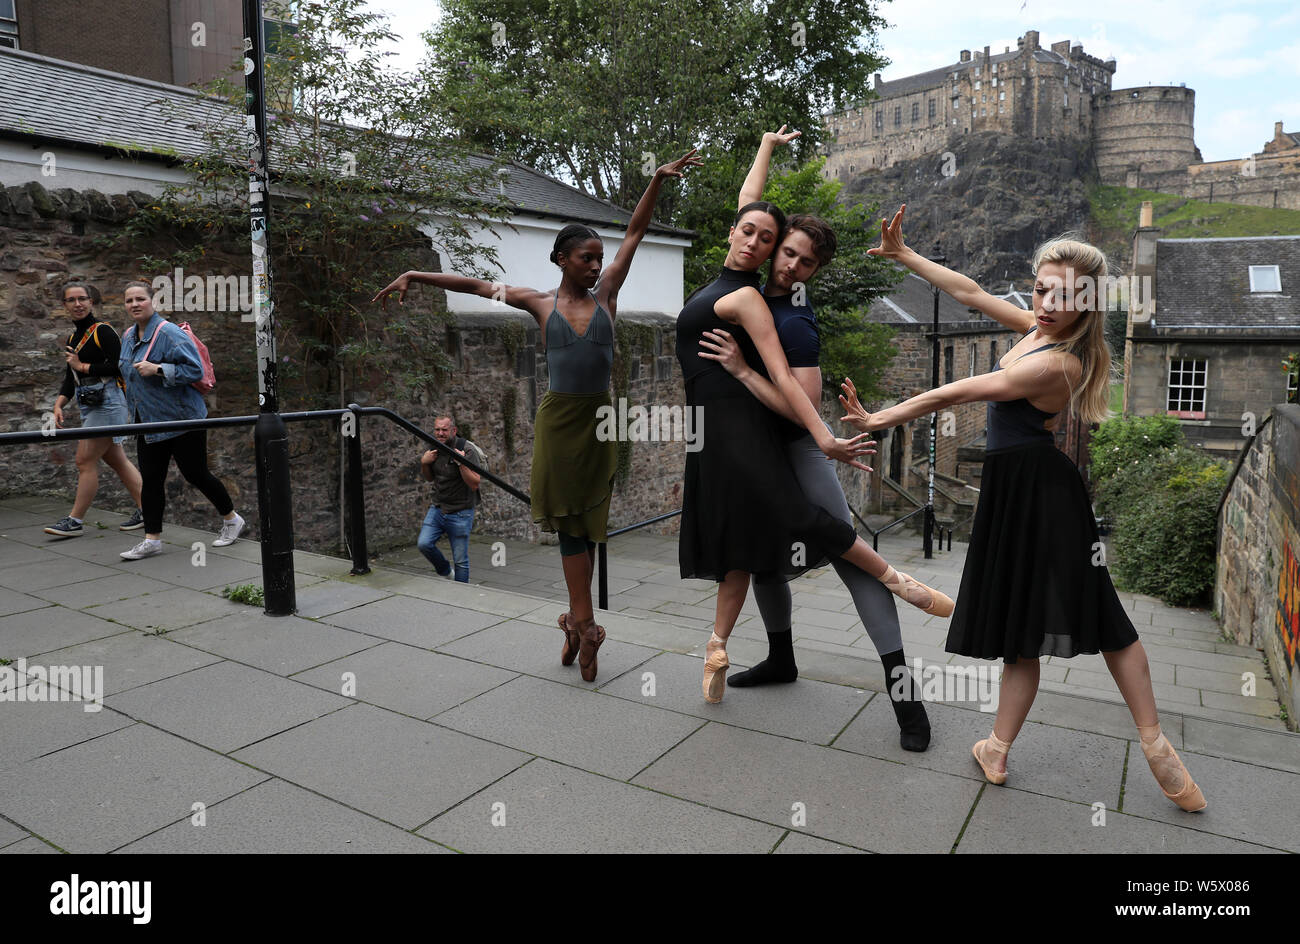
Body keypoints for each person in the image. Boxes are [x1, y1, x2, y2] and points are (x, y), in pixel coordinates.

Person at [838, 205, 1206, 811]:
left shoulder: (1061, 360)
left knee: (1101, 616)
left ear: (1087, 304)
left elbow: (962, 390)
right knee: (1025, 631)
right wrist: (905, 256)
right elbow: (972, 291)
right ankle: (999, 748)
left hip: (1038, 495)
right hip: (1024, 491)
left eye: (1063, 295)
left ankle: (1154, 742)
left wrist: (882, 416)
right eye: (1040, 289)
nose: (1046, 302)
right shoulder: (1041, 333)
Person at [374, 149, 702, 681]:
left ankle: (580, 624)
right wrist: (417, 273)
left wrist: (658, 181)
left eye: (599, 259)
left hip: (600, 422)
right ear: (561, 259)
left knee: (587, 524)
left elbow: (637, 234)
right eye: (585, 259)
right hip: (557, 423)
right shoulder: (538, 304)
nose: (596, 266)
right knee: (568, 523)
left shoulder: (609, 298)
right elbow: (477, 287)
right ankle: (585, 625)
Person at [695, 127, 934, 748]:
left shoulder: (795, 322)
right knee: (764, 560)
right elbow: (751, 203)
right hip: (748, 452)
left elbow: (799, 403)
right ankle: (781, 658)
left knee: (853, 561)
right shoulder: (744, 278)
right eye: (786, 251)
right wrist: (767, 146)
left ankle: (906, 699)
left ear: (814, 270)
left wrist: (744, 372)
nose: (790, 262)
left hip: (798, 449)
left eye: (804, 260)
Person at [116, 281, 244, 560]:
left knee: (195, 474)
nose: (135, 304)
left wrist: (158, 368)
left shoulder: (169, 333)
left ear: (153, 301)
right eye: (129, 301)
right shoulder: (128, 336)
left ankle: (232, 519)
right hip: (148, 420)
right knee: (151, 479)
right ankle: (152, 540)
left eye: (140, 299)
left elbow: (195, 369)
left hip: (183, 418)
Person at [44, 281, 144, 537]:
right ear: (64, 305)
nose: (78, 304)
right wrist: (58, 404)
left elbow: (121, 366)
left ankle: (75, 520)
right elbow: (71, 377)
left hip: (108, 404)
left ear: (91, 301)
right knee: (117, 459)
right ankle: (148, 510)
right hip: (91, 404)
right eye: (71, 300)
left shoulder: (103, 331)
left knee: (84, 460)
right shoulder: (73, 337)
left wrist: (84, 367)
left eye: (82, 299)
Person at [417, 415, 485, 582]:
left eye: (444, 430)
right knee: (424, 544)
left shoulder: (467, 450)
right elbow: (430, 478)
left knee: (461, 560)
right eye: (437, 430)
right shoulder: (433, 446)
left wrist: (460, 462)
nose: (440, 433)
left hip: (461, 511)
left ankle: (462, 597)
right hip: (438, 507)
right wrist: (424, 463)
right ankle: (446, 571)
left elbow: (475, 483)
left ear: (453, 431)